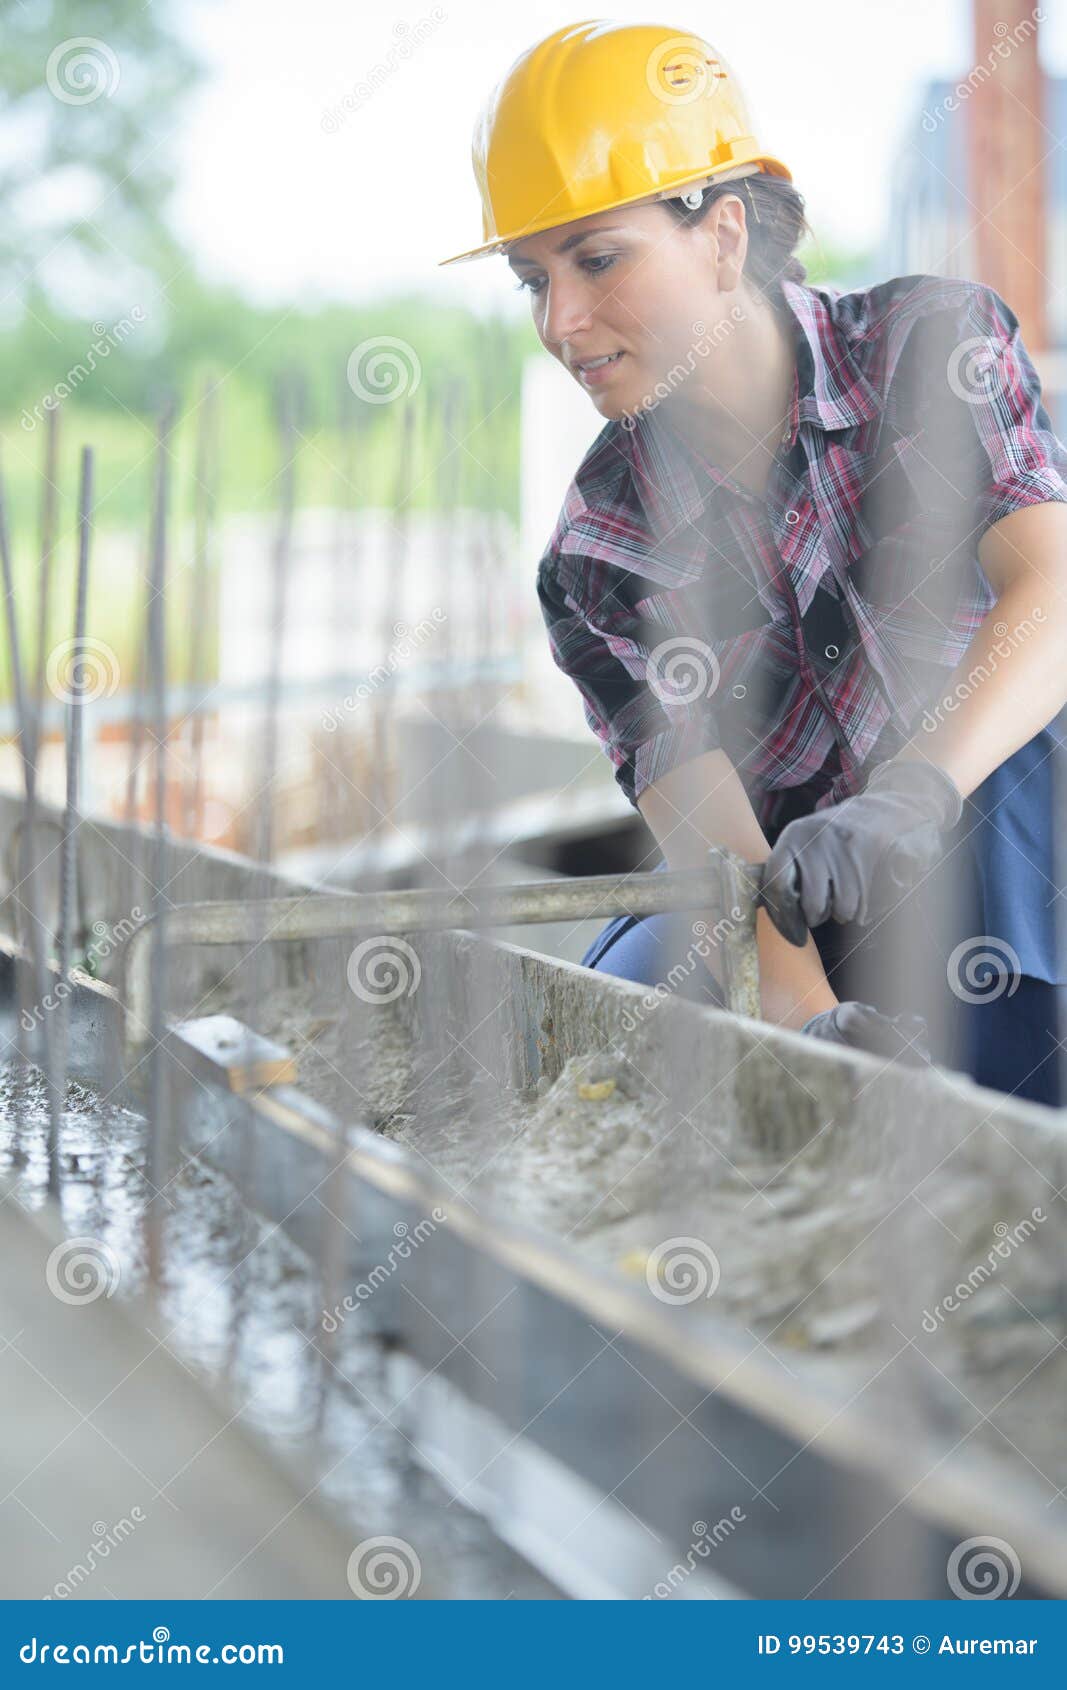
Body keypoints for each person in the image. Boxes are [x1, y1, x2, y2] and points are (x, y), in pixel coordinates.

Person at [441, 19, 1067, 1105]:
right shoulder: (598, 555)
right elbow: (720, 856)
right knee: (644, 1014)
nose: (561, 321)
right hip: (799, 890)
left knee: (1004, 825)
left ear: (722, 235)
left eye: (595, 259)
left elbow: (1054, 590)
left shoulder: (927, 350)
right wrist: (808, 1030)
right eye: (530, 279)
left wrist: (909, 793)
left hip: (991, 823)